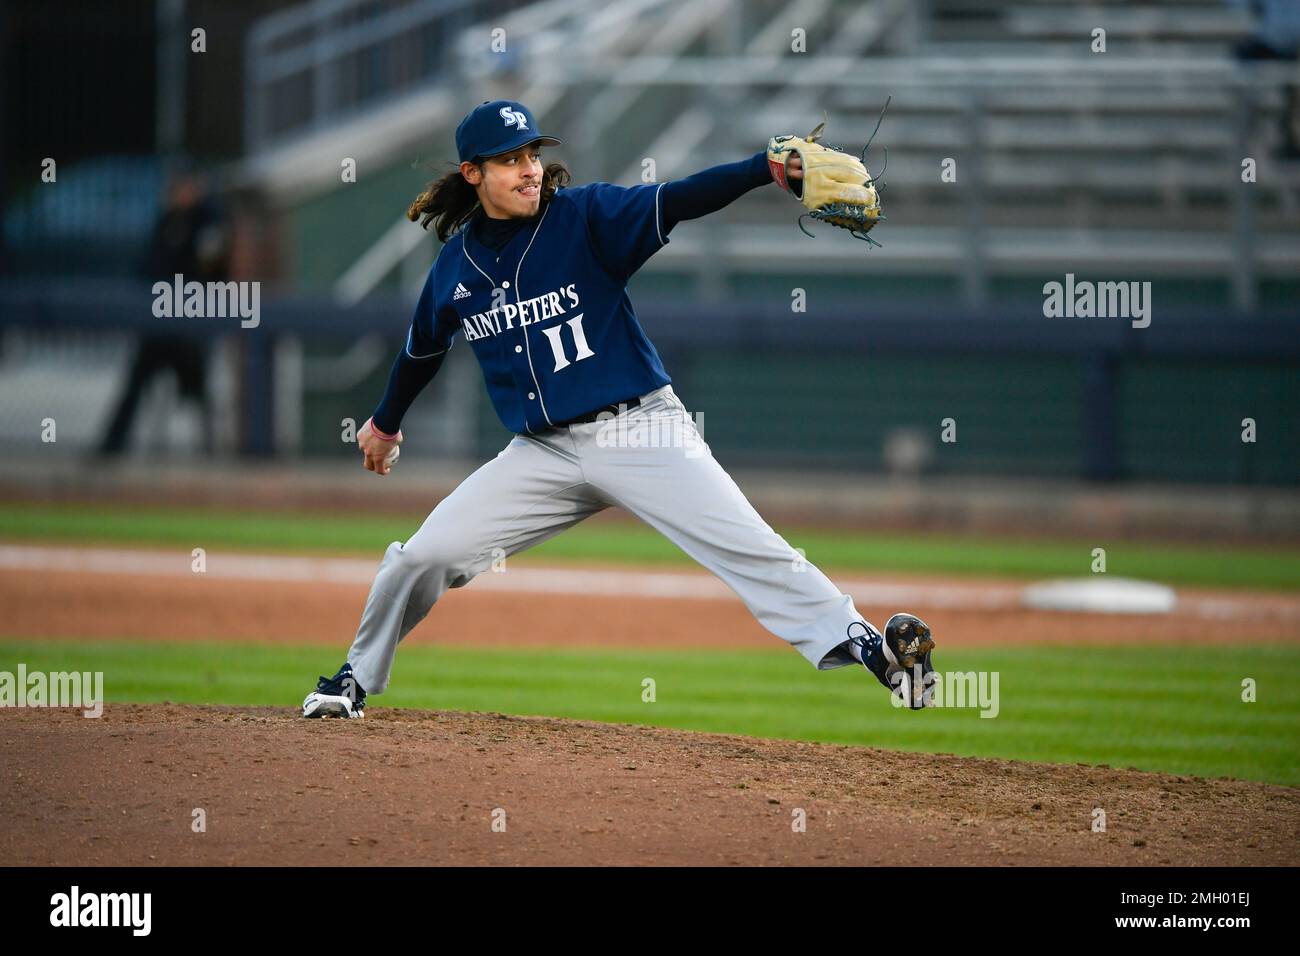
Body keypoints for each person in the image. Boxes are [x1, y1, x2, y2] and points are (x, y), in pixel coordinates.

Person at [302, 100, 936, 719]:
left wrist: (761, 170)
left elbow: (679, 198)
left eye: (531, 154)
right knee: (422, 556)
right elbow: (421, 351)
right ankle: (355, 678)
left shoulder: (584, 216)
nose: (527, 169)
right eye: (508, 160)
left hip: (640, 430)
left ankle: (874, 651)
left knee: (751, 547)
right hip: (542, 452)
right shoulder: (453, 268)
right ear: (473, 174)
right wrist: (385, 423)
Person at [99, 165, 226, 455]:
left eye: (185, 186)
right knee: (135, 381)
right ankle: (111, 447)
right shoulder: (167, 220)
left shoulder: (210, 220)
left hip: (191, 331)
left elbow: (210, 271)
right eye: (176, 187)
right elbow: (147, 267)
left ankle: (213, 452)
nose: (180, 193)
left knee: (199, 392)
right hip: (160, 329)